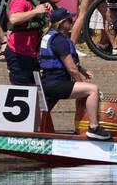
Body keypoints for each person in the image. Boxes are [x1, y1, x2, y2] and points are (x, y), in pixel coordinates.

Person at [38, 7, 111, 140]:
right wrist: (80, 82)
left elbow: (65, 61)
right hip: (56, 85)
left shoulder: (51, 36)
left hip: (48, 82)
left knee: (44, 112)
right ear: (62, 23)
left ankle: (41, 131)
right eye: (70, 20)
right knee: (92, 90)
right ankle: (93, 128)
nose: (72, 22)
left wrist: (82, 70)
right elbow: (71, 69)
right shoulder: (59, 41)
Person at [4, 0, 50, 86]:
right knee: (22, 90)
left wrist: (46, 9)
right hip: (18, 53)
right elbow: (14, 19)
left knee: (36, 89)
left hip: (30, 52)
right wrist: (35, 11)